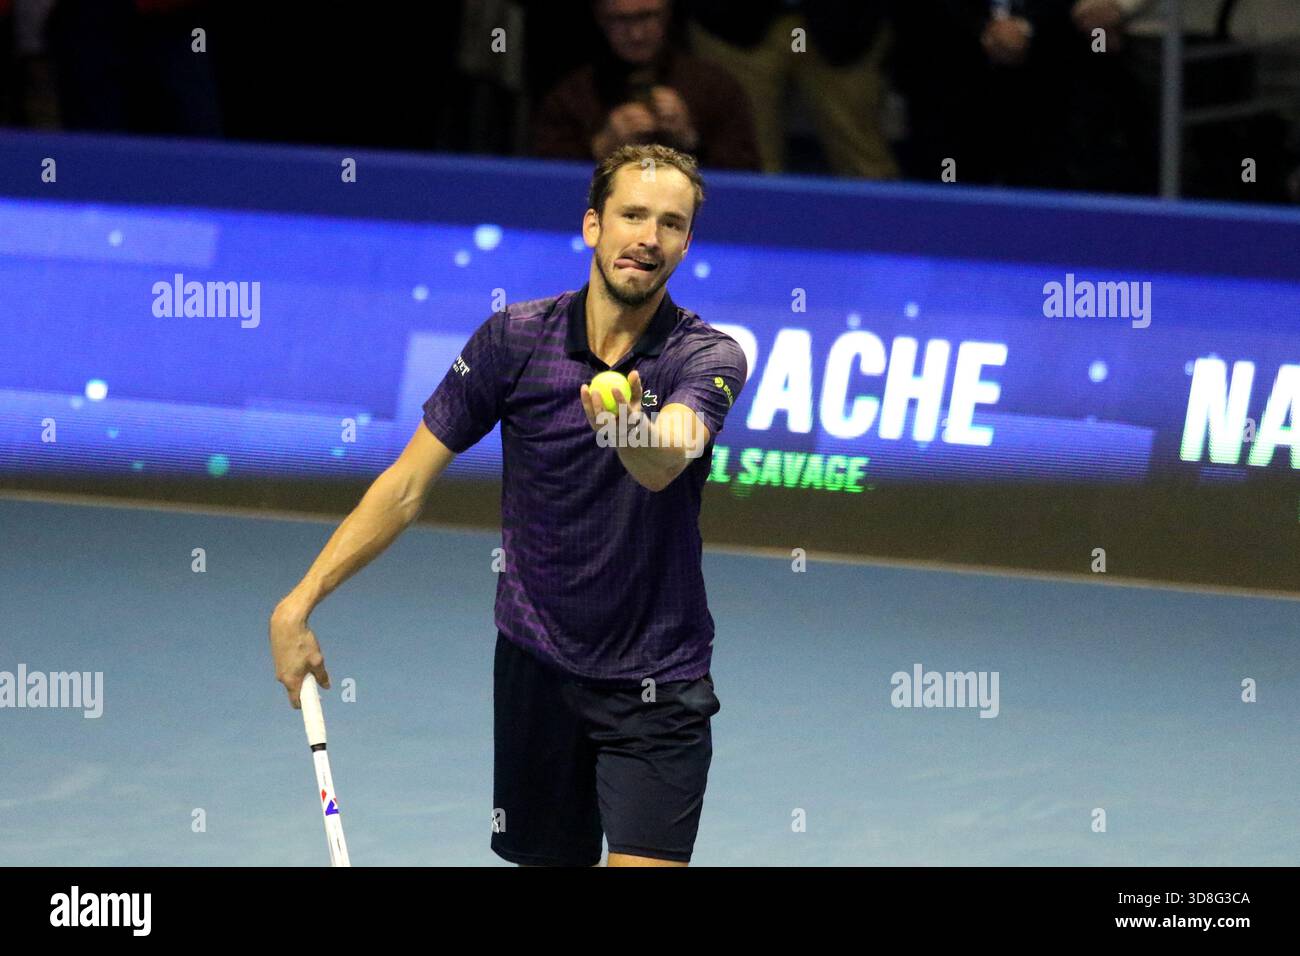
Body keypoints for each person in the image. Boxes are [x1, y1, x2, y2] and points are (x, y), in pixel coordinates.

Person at [269, 142, 748, 867]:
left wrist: (625, 427)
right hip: (537, 668)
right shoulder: (514, 340)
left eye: (671, 224)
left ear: (686, 243)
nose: (648, 238)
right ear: (594, 225)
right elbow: (405, 486)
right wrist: (297, 604)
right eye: (632, 215)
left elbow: (664, 460)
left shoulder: (705, 355)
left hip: (656, 681)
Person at [531, 0, 761, 170]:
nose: (637, 34)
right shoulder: (571, 96)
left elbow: (748, 182)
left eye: (648, 16)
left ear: (668, 13)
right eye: (622, 20)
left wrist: (691, 140)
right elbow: (541, 189)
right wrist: (600, 149)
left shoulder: (714, 86)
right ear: (600, 19)